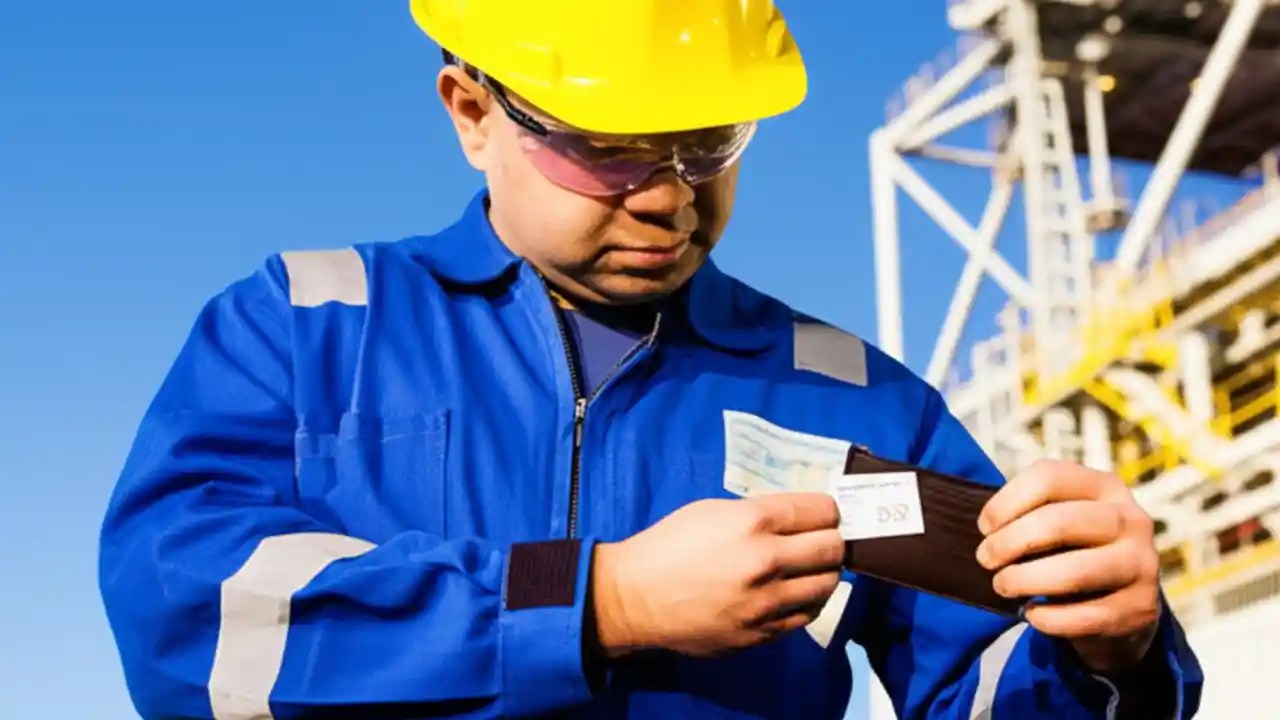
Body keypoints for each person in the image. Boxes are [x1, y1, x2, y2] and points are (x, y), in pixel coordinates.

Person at [98, 1, 1203, 718]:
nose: (670, 197)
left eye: (708, 145)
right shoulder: (306, 326)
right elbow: (189, 618)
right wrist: (600, 601)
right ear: (472, 113)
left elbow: (976, 688)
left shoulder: (852, 397)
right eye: (608, 150)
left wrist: (1111, 650)